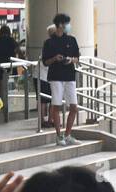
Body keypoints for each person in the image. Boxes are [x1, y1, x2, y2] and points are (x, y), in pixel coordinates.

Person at [42, 12, 81, 145]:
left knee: (74, 107)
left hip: (70, 76)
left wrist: (71, 60)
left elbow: (77, 58)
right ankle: (59, 136)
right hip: (56, 77)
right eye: (66, 23)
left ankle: (68, 134)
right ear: (60, 25)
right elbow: (45, 62)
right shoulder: (49, 42)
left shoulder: (71, 40)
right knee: (56, 105)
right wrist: (54, 58)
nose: (69, 26)